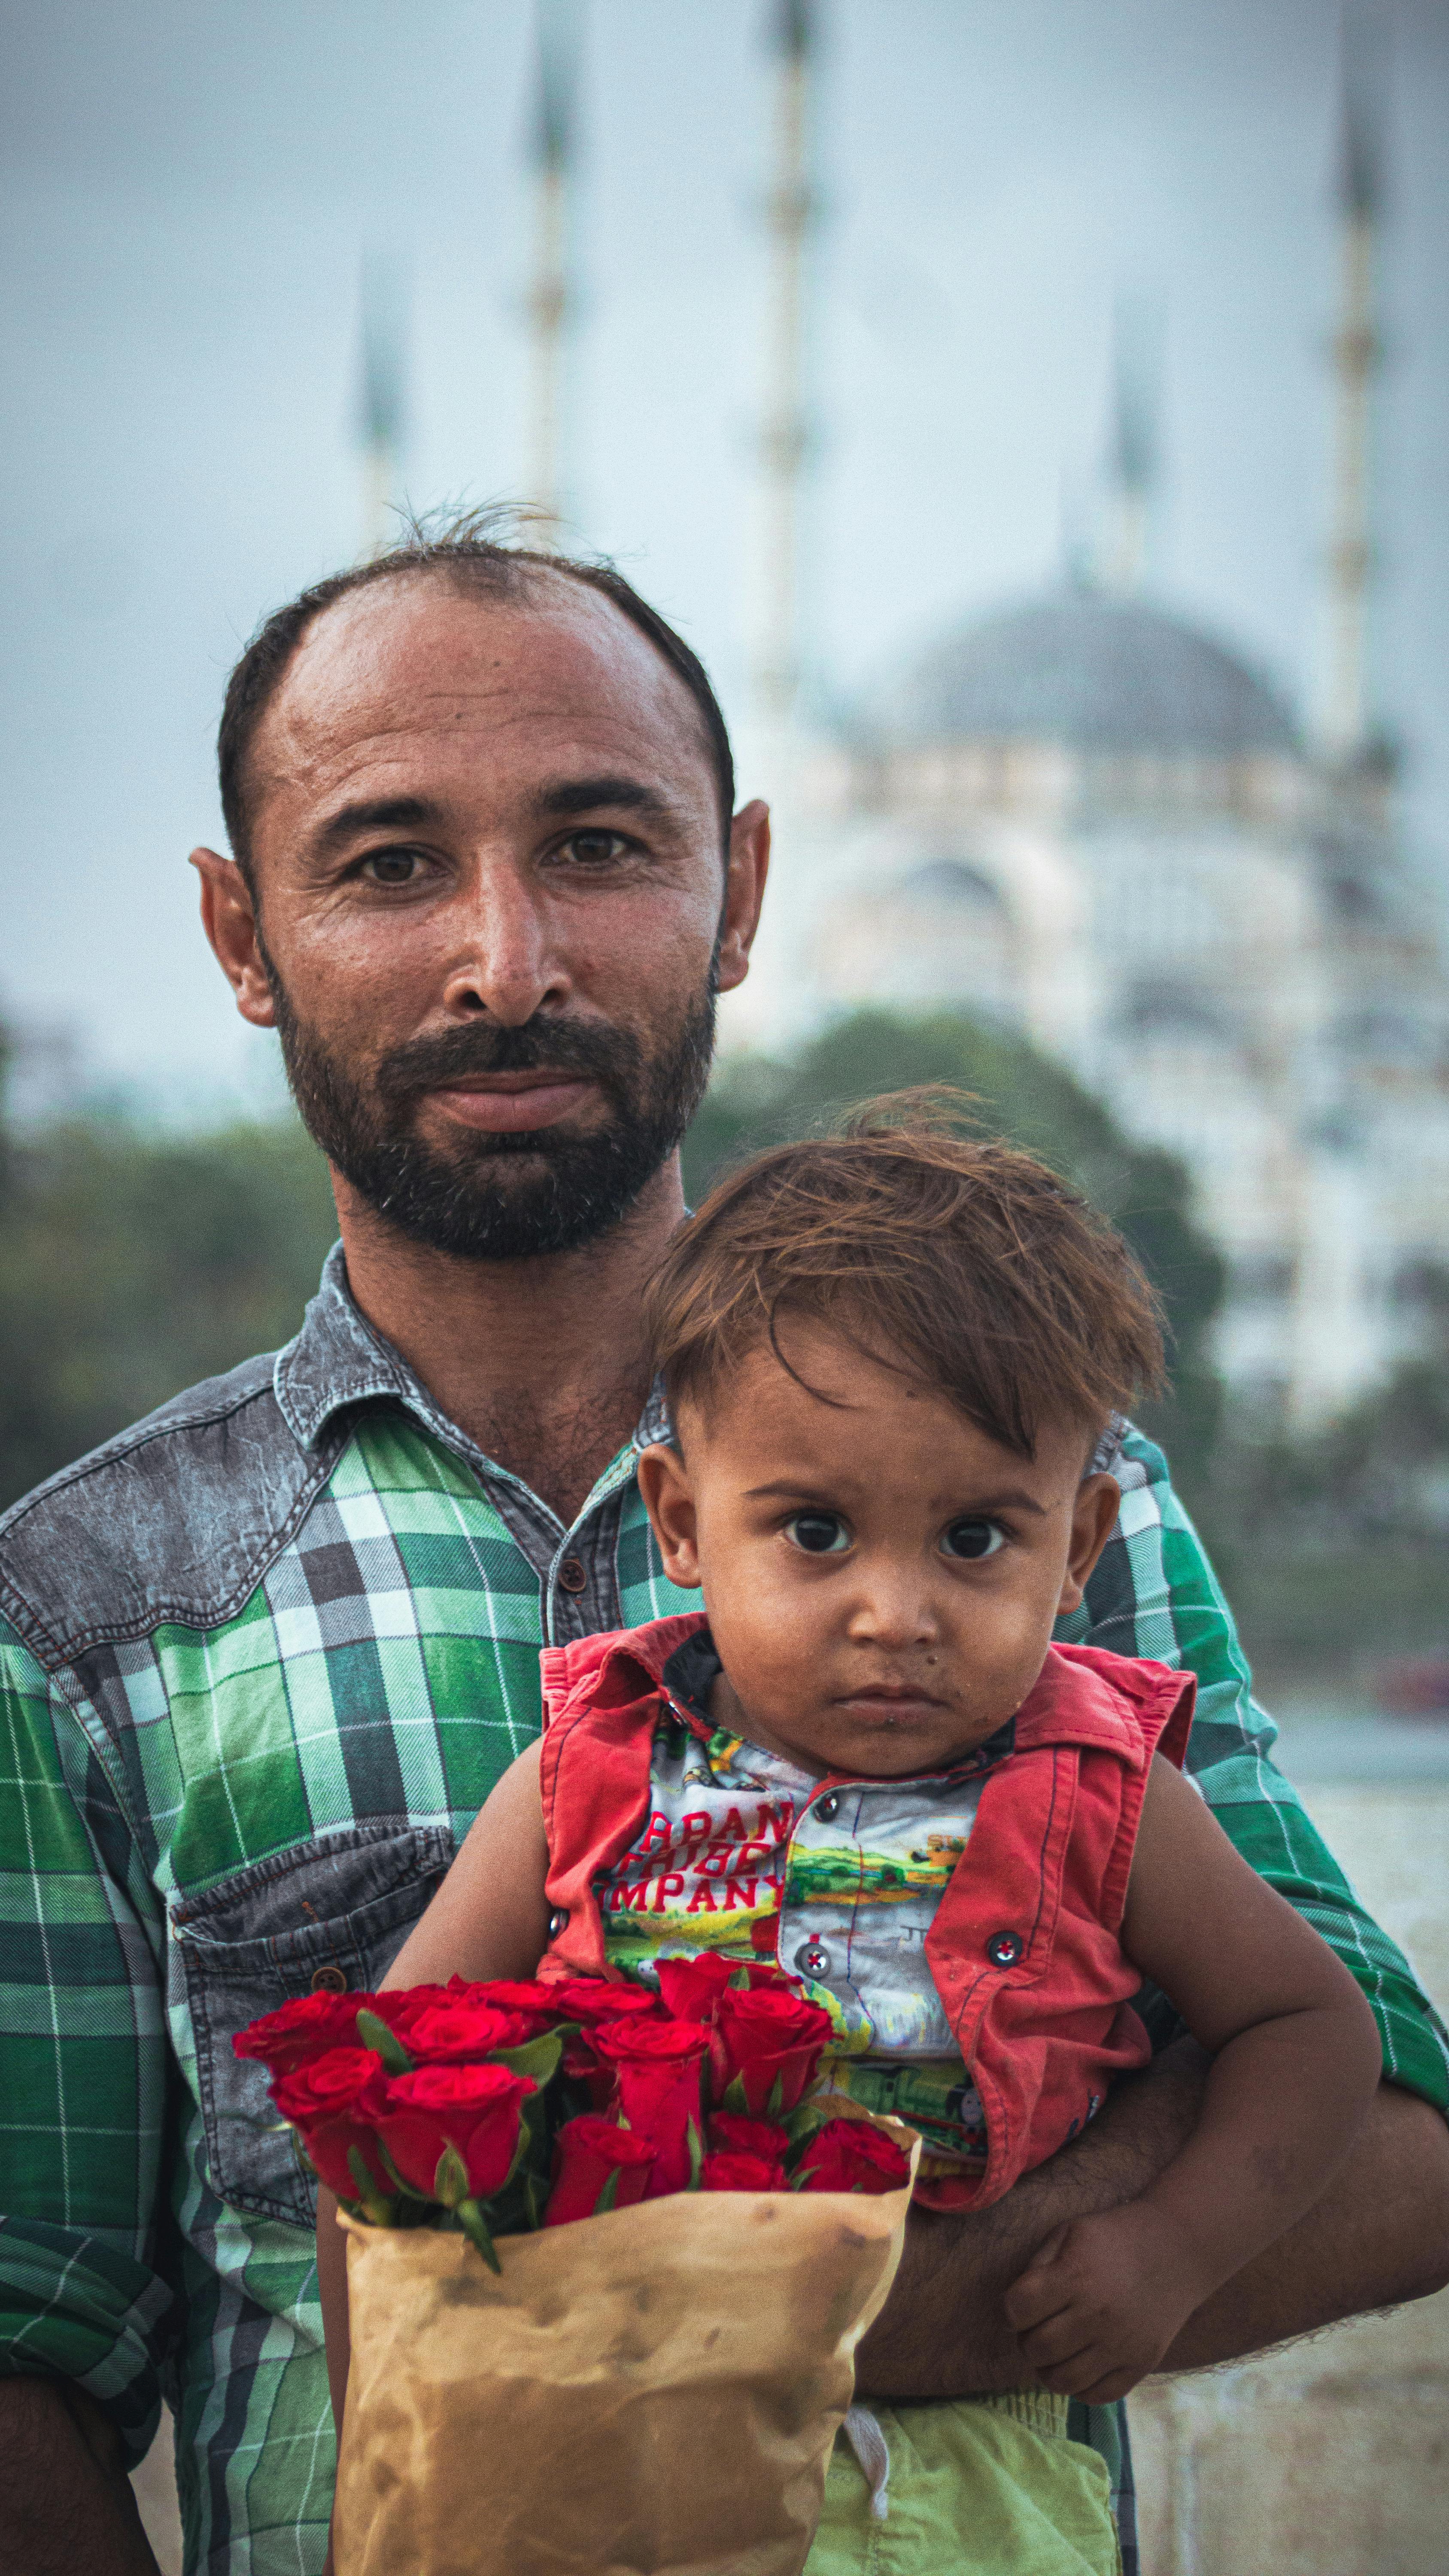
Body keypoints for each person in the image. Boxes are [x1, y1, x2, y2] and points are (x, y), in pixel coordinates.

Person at [0, 519, 1444, 2576]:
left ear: (741, 894)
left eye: (598, 846)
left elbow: (1390, 2136)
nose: (509, 960)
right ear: (244, 935)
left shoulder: (1046, 1497)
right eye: (389, 863)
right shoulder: (90, 1613)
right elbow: (25, 2356)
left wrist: (716, 2343)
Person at [319, 1107, 1383, 2573]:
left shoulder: (1106, 1793)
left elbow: (1313, 2028)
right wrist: (387, 2442)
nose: (896, 1614)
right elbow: (380, 2094)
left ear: (1079, 1548)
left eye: (975, 1539)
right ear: (683, 1524)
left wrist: (1173, 2249)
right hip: (595, 2472)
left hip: (972, 2490)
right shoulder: (588, 1775)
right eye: (815, 1533)